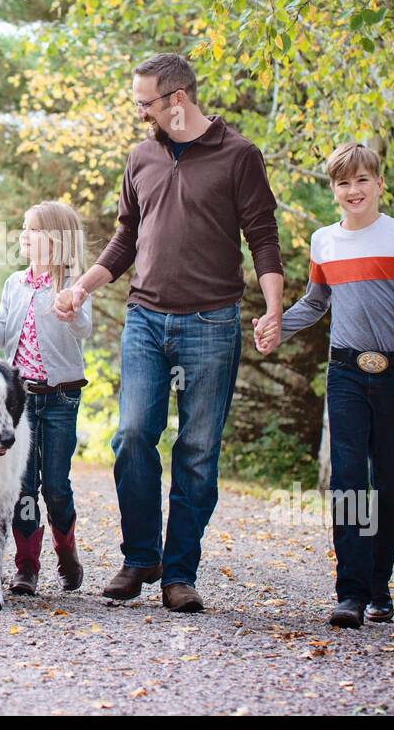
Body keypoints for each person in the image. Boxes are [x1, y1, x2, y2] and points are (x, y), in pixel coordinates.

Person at [53, 53, 284, 612]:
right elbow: (126, 238)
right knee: (132, 435)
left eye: (145, 103)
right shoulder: (141, 157)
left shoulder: (238, 155)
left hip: (212, 322)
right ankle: (140, 558)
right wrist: (83, 286)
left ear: (177, 98)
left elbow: (263, 236)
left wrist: (274, 308)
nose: (140, 113)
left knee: (198, 450)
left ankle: (180, 572)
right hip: (145, 319)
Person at [254, 141, 394, 628]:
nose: (353, 190)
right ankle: (351, 594)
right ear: (333, 189)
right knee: (349, 481)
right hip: (347, 374)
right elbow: (316, 303)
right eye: (342, 182)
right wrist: (277, 323)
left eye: (361, 180)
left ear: (379, 184)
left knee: (392, 490)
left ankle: (380, 583)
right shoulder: (324, 241)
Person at [0, 200, 92, 595]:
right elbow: (3, 338)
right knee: (24, 485)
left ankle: (66, 549)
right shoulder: (14, 283)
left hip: (61, 399)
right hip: (20, 404)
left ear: (56, 240)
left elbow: (83, 330)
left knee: (56, 485)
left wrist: (71, 310)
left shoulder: (75, 283)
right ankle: (27, 567)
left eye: (32, 230)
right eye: (23, 228)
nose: (22, 236)